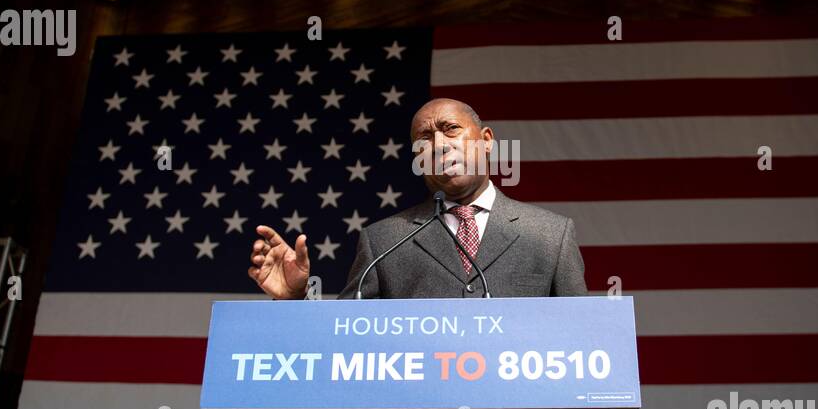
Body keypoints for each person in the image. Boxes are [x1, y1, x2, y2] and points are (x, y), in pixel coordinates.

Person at [248, 97, 588, 300]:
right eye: (425, 138)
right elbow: (345, 342)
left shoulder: (550, 235)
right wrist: (296, 299)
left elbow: (582, 338)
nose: (439, 144)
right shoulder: (383, 241)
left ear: (486, 141)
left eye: (450, 129)